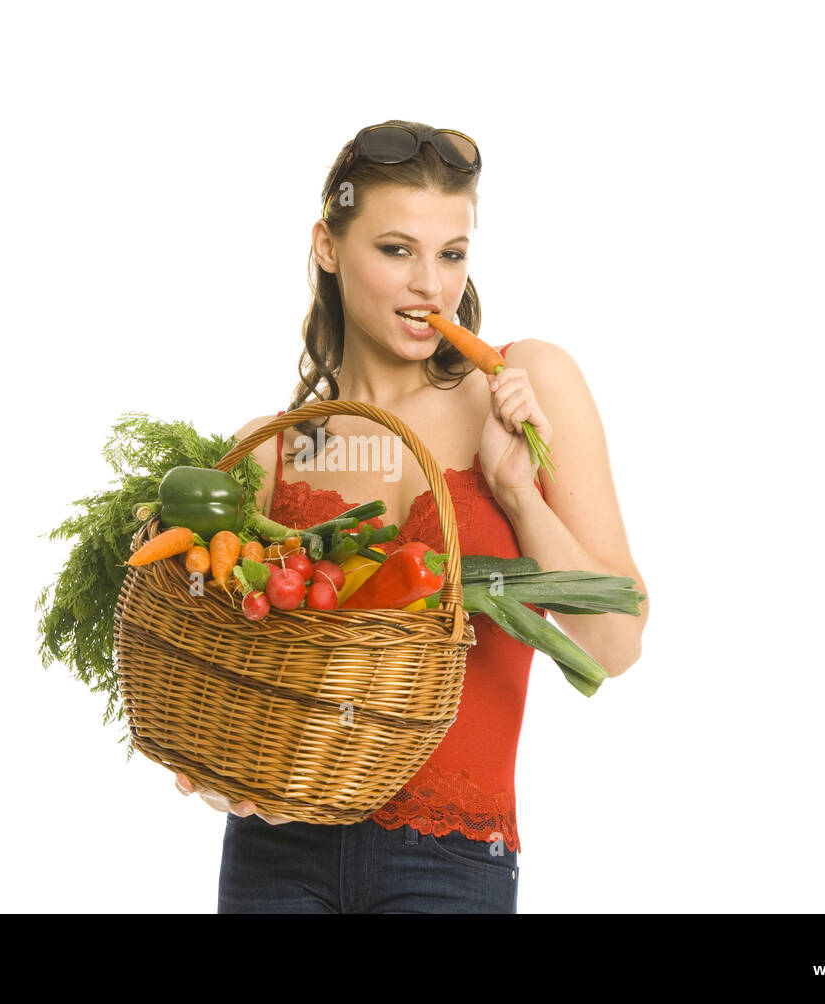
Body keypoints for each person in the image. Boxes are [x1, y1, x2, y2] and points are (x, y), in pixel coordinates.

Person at [174, 120, 649, 913]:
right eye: (396, 250)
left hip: (453, 859)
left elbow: (619, 638)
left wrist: (517, 492)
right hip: (277, 853)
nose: (432, 285)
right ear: (328, 246)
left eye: (452, 253)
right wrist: (213, 768)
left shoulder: (527, 388)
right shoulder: (276, 451)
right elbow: (218, 665)